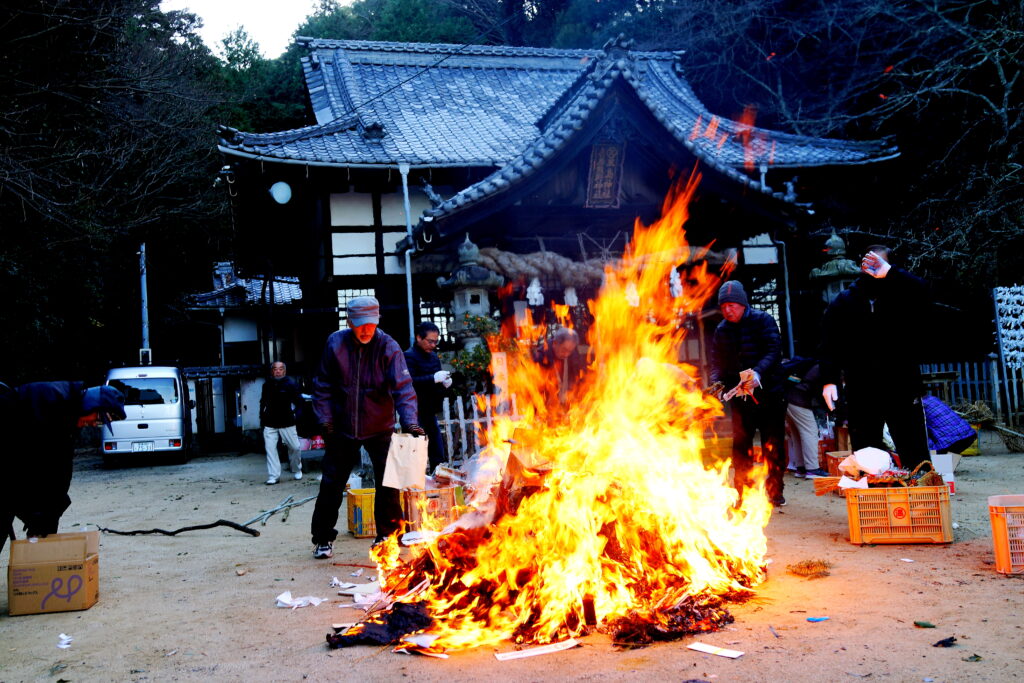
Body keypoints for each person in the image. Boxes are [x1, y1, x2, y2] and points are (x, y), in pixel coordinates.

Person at [309, 296, 423, 558]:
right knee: (331, 484)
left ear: (377, 321)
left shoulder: (388, 346)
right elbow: (322, 385)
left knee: (389, 485)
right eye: (360, 324)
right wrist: (324, 418)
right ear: (349, 322)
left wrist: (410, 422)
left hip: (380, 426)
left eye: (370, 324)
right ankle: (323, 538)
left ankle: (386, 537)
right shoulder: (335, 344)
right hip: (341, 427)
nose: (365, 330)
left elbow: (403, 389)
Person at [819, 245, 931, 470]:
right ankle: (874, 498)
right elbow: (830, 342)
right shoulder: (846, 300)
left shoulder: (903, 293)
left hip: (902, 382)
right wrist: (829, 379)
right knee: (867, 452)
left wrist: (891, 273)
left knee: (914, 447)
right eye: (869, 263)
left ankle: (920, 494)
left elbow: (925, 292)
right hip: (861, 385)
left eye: (879, 263)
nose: (873, 268)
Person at [1, 382, 125, 552]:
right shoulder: (52, 399)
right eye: (97, 419)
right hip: (9, 460)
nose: (93, 424)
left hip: (15, 466)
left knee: (52, 508)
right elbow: (32, 459)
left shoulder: (68, 416)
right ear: (91, 405)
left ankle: (40, 562)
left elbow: (62, 467)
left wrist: (54, 505)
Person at [708, 280, 787, 506]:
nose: (727, 310)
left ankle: (775, 490)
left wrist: (758, 373)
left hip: (770, 392)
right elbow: (717, 363)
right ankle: (742, 491)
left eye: (732, 305)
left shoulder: (764, 321)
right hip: (741, 398)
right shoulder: (722, 330)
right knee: (740, 445)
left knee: (773, 445)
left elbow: (774, 351)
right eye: (723, 307)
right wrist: (716, 383)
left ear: (743, 304)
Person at [404, 322, 452, 471]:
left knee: (437, 450)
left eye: (435, 341)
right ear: (419, 338)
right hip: (413, 411)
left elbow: (435, 381)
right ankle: (413, 486)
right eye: (430, 341)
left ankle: (438, 482)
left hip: (429, 410)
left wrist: (444, 384)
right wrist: (433, 378)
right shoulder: (408, 356)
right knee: (415, 451)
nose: (433, 345)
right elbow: (408, 382)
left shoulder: (433, 357)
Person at [781, 357, 828, 479]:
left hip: (787, 398)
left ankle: (801, 468)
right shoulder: (824, 366)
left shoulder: (811, 362)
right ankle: (812, 469)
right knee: (810, 432)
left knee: (797, 434)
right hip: (799, 400)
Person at [260, 361, 304, 485]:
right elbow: (262, 402)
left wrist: (295, 415)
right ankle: (274, 476)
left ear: (284, 371)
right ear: (272, 371)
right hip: (270, 423)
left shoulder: (291, 384)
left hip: (287, 422)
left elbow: (300, 402)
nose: (277, 371)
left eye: (280, 369)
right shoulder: (266, 385)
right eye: (275, 369)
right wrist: (262, 418)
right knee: (270, 449)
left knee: (295, 447)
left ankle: (296, 469)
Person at [532, 327, 587, 405]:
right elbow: (534, 387)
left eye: (570, 351)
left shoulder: (573, 354)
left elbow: (579, 377)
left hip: (569, 405)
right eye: (564, 350)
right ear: (555, 343)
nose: (566, 354)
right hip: (546, 405)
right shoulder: (541, 356)